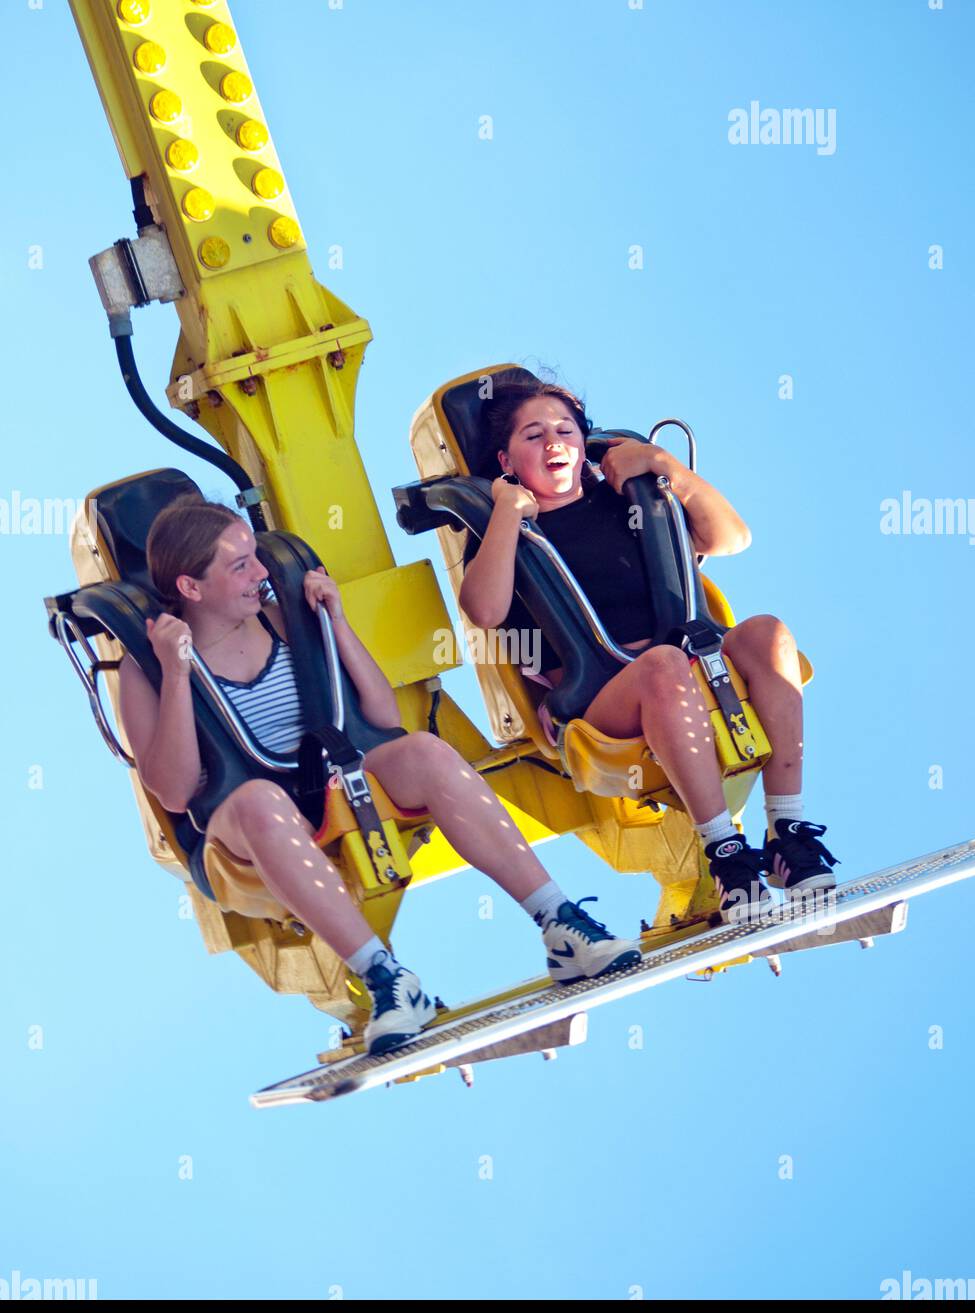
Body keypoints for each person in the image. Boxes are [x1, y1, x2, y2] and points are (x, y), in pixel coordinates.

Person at [118, 496, 641, 1056]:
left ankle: (559, 922)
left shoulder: (281, 617)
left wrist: (333, 621)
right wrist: (176, 670)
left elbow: (382, 717)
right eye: (240, 564)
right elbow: (173, 790)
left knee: (424, 751)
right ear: (191, 588)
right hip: (244, 825)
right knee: (261, 802)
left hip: (333, 780)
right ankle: (388, 979)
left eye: (255, 555)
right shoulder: (147, 664)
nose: (262, 571)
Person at [458, 373, 839, 920]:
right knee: (663, 666)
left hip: (692, 661)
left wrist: (667, 467)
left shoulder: (632, 502)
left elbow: (733, 539)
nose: (553, 444)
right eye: (533, 435)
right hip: (598, 705)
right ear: (507, 460)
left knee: (767, 631)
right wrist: (504, 511)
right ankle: (726, 856)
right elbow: (484, 610)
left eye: (565, 430)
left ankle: (788, 832)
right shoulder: (507, 532)